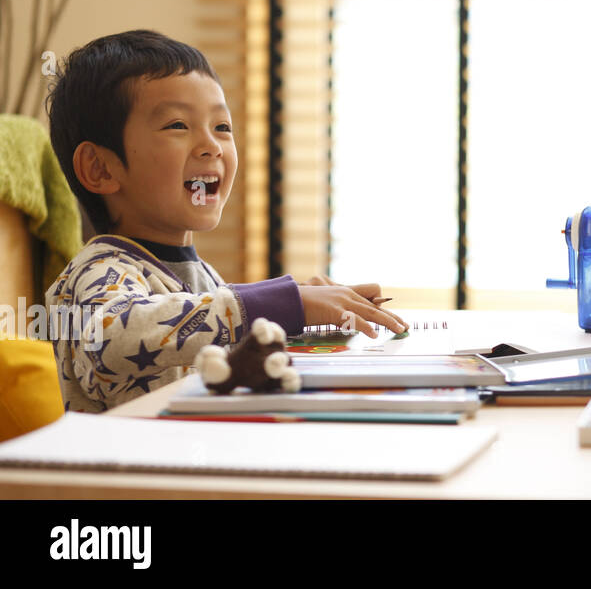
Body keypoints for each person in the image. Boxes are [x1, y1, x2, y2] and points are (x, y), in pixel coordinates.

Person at [43, 29, 406, 412]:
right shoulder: (97, 272)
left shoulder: (202, 277)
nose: (212, 146)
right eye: (178, 126)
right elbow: (111, 339)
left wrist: (304, 317)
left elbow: (217, 332)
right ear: (100, 168)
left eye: (222, 127)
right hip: (126, 470)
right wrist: (280, 303)